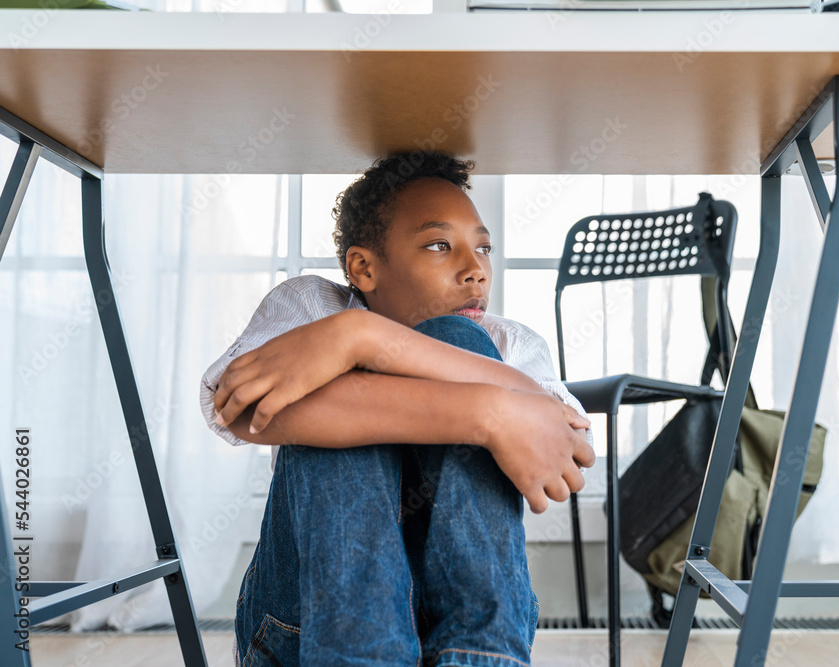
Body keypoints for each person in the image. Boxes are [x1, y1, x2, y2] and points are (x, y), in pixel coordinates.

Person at [200, 151, 596, 667]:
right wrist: (351, 335)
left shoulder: (508, 341)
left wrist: (362, 340)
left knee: (460, 340)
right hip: (305, 629)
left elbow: (565, 436)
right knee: (347, 397)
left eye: (484, 248)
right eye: (438, 245)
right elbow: (242, 409)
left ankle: (480, 654)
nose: (475, 269)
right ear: (363, 268)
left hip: (457, 629)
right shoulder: (317, 309)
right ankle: (360, 655)